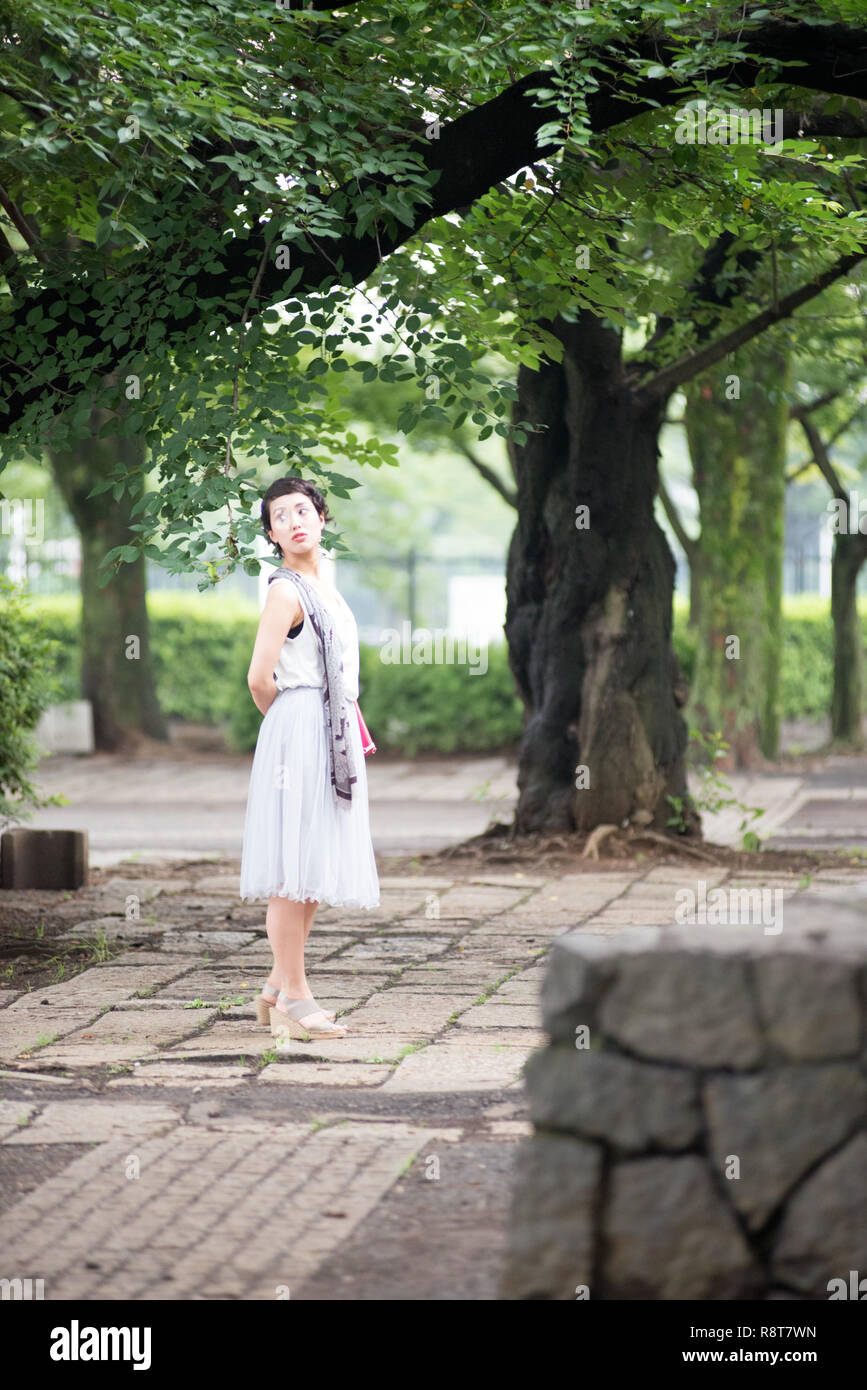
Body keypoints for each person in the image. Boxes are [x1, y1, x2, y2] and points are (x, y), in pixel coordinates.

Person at [239, 476, 380, 1040]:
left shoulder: (326, 585)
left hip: (333, 728)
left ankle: (276, 986)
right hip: (301, 729)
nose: (295, 520)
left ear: (322, 518)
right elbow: (257, 679)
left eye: (304, 509)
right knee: (291, 873)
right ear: (272, 534)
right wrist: (294, 726)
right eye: (281, 516)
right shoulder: (285, 590)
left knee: (314, 865)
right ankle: (297, 999)